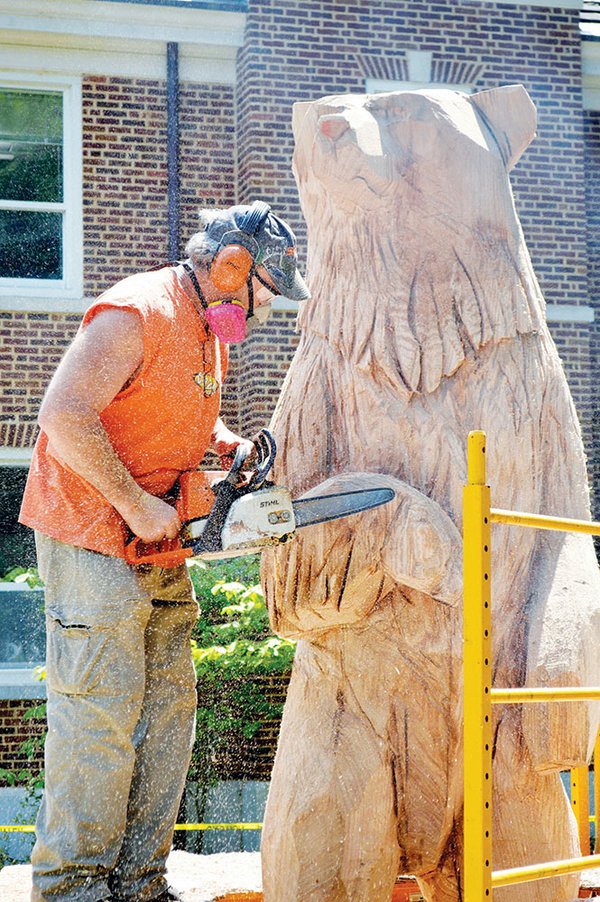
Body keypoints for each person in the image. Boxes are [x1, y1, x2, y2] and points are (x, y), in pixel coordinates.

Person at [19, 201, 310, 902]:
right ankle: (73, 889)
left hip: (158, 546)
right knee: (101, 714)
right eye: (264, 293)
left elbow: (170, 410)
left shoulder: (209, 328)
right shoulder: (136, 312)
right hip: (92, 533)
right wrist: (133, 502)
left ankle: (140, 881)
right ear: (232, 268)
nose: (265, 309)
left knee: (168, 717)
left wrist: (227, 445)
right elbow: (62, 414)